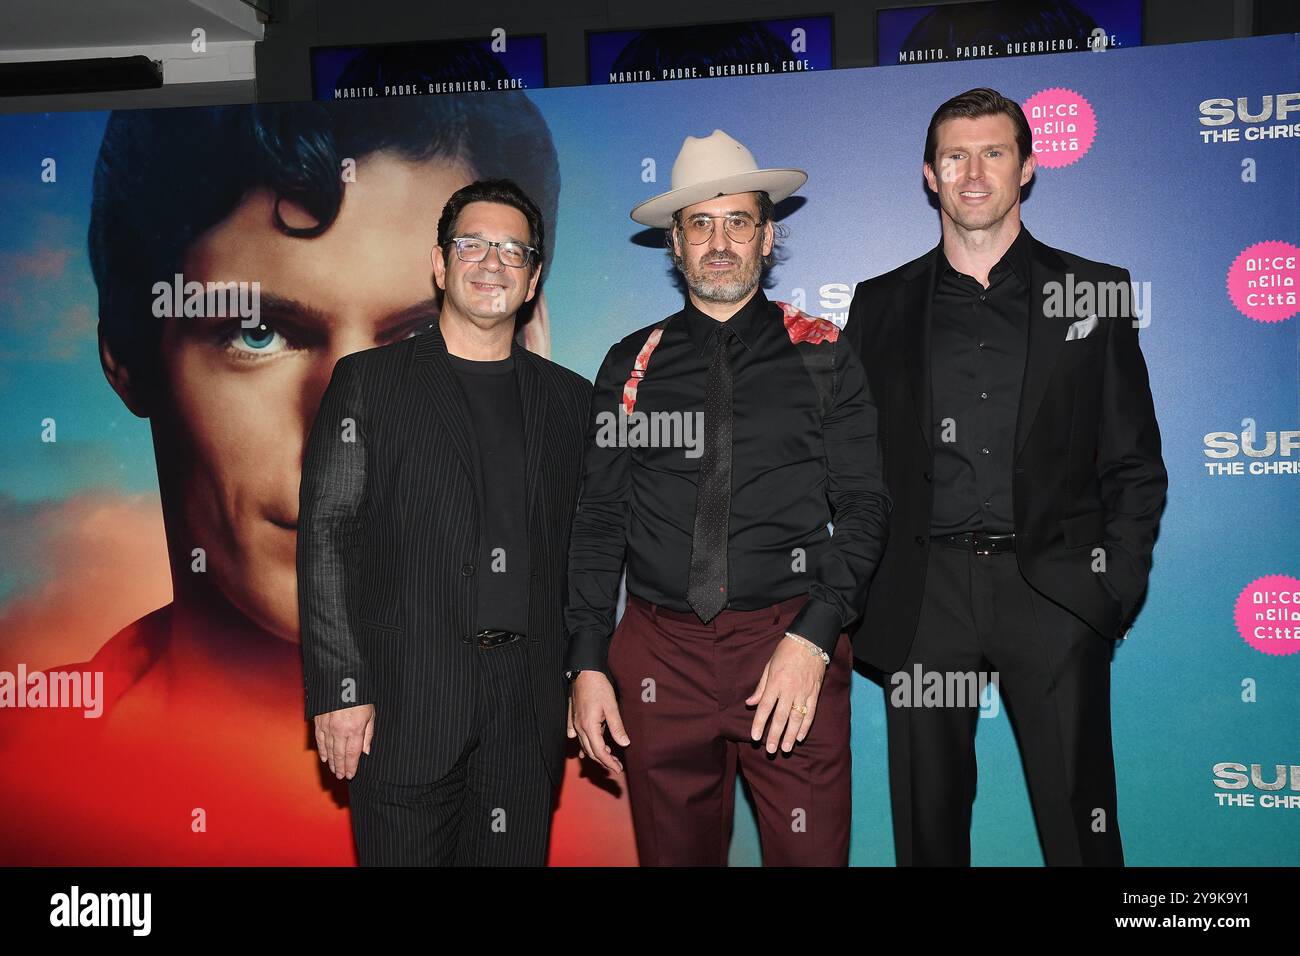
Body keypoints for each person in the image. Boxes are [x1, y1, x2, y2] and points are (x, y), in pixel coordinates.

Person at [0, 89, 564, 865]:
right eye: (257, 333)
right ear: (125, 353)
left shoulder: (626, 776)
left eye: (423, 339)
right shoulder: (23, 782)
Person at [843, 88, 1167, 866]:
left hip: (1053, 594)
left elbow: (1133, 462)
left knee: (1079, 824)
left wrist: (1109, 592)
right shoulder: (880, 304)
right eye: (956, 156)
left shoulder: (1092, 290)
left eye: (994, 152)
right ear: (930, 175)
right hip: (926, 600)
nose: (975, 172)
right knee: (929, 827)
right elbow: (851, 461)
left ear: (1027, 167)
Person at [565, 129, 891, 866]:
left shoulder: (823, 353)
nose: (720, 241)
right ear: (674, 244)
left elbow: (867, 507)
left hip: (787, 647)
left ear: (767, 237)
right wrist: (585, 659)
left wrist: (814, 636)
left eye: (738, 221)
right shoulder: (630, 364)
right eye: (701, 224)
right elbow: (598, 519)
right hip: (657, 657)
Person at [300, 178, 590, 866]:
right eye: (472, 245)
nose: (492, 263)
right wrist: (342, 689)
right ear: (439, 263)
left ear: (533, 278)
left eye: (512, 251)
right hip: (404, 705)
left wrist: (585, 672)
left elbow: (585, 553)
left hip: (524, 710)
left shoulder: (572, 402)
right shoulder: (367, 383)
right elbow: (329, 538)